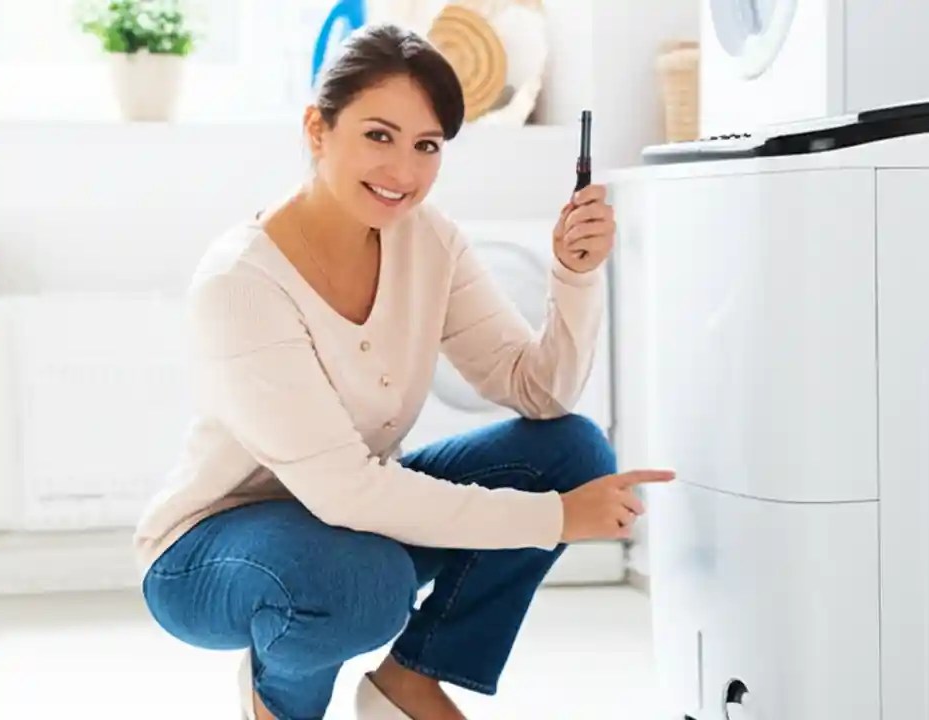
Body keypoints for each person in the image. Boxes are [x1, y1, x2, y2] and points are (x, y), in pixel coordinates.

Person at [131, 23, 674, 720]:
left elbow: (539, 392)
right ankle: (278, 703)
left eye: (427, 146)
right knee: (366, 584)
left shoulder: (429, 241)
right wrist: (556, 517)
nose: (404, 172)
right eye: (379, 136)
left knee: (570, 450)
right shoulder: (240, 282)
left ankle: (411, 680)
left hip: (346, 526)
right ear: (317, 129)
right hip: (209, 552)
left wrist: (575, 275)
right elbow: (347, 493)